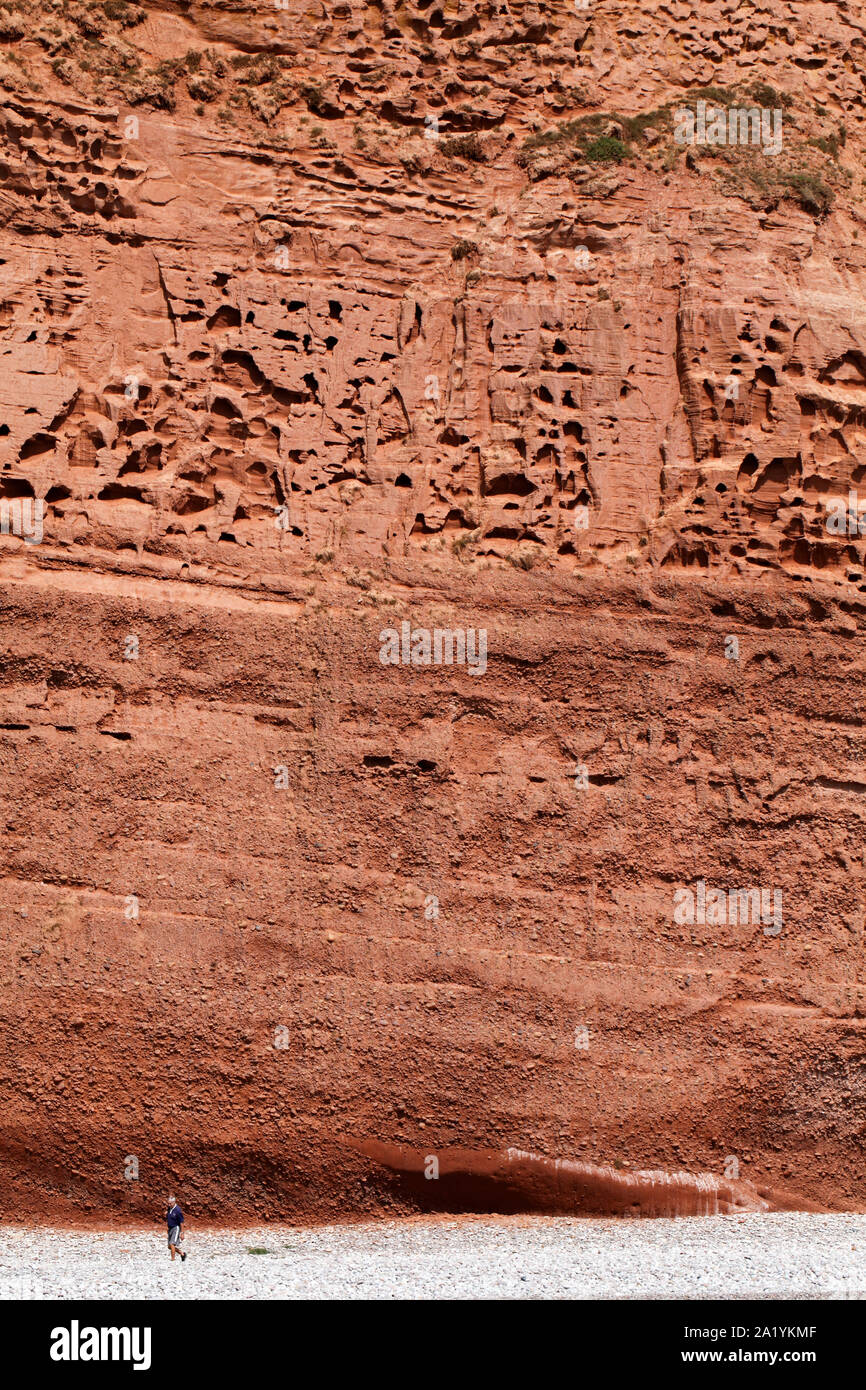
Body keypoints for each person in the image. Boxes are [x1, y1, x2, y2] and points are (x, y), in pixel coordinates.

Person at [166, 1196, 188, 1262]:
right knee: (169, 1246)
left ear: (174, 1202)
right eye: (168, 1203)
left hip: (176, 1228)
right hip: (170, 1228)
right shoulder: (169, 1209)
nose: (169, 1205)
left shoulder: (178, 1210)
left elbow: (181, 1222)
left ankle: (173, 1259)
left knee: (172, 1244)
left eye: (170, 1203)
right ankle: (182, 1253)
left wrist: (182, 1233)